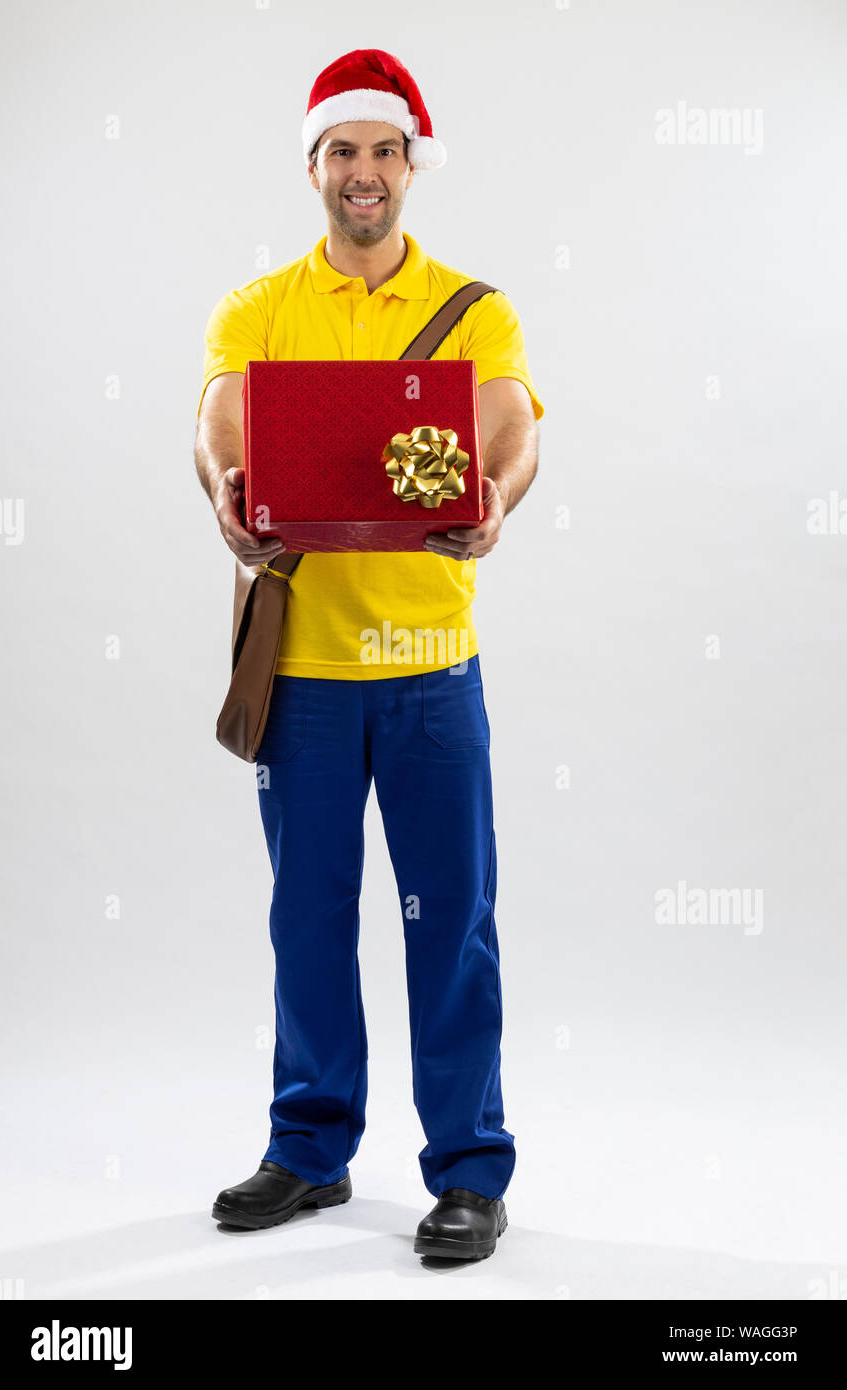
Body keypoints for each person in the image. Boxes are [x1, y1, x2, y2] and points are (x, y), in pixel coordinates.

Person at [194, 48, 544, 1262]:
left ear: (409, 165)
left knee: (450, 915)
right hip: (304, 678)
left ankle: (467, 1168)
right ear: (313, 168)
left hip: (431, 665)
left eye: (380, 151)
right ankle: (308, 1150)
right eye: (340, 152)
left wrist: (492, 494)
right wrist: (225, 490)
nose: (361, 173)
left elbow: (508, 426)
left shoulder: (474, 308)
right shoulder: (259, 307)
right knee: (308, 915)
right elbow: (217, 421)